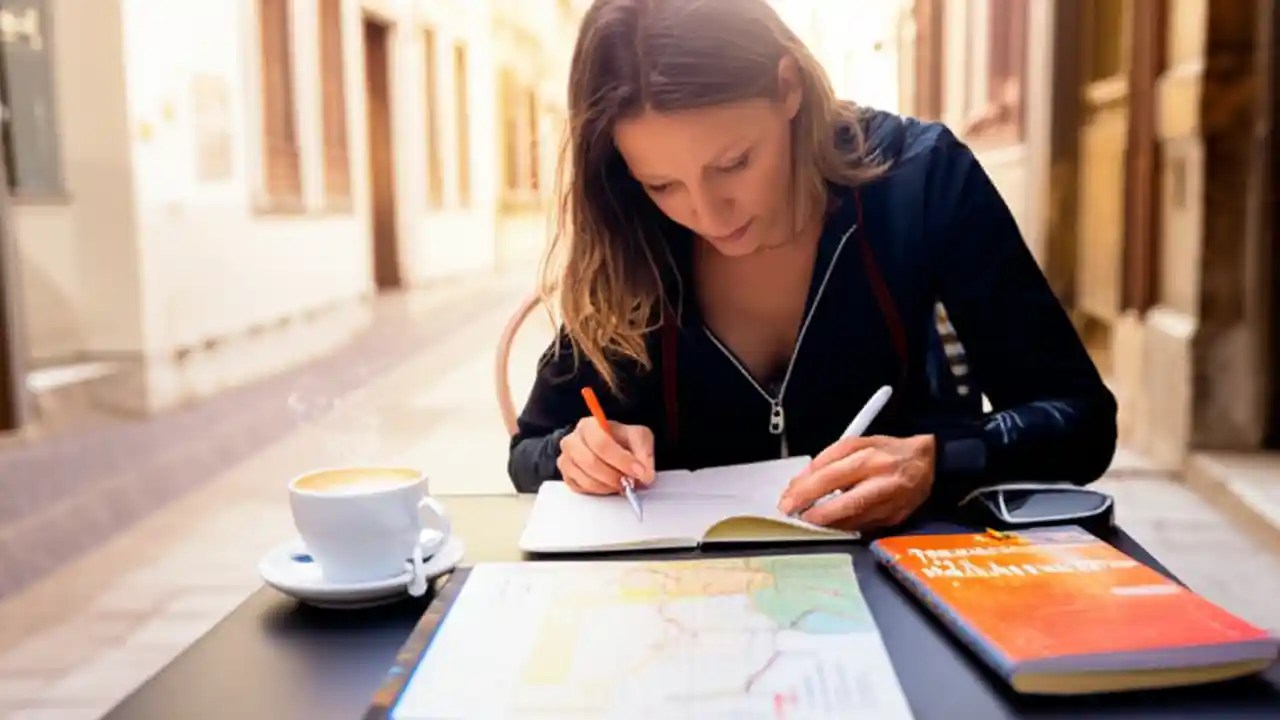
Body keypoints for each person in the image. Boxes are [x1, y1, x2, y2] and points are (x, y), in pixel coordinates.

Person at [507, 0, 1117, 532]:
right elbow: (529, 450)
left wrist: (938, 461)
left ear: (788, 87)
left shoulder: (920, 180)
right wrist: (576, 452)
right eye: (663, 183)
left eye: (734, 163)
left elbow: (1081, 420)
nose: (708, 214)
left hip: (908, 587)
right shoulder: (631, 225)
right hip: (695, 609)